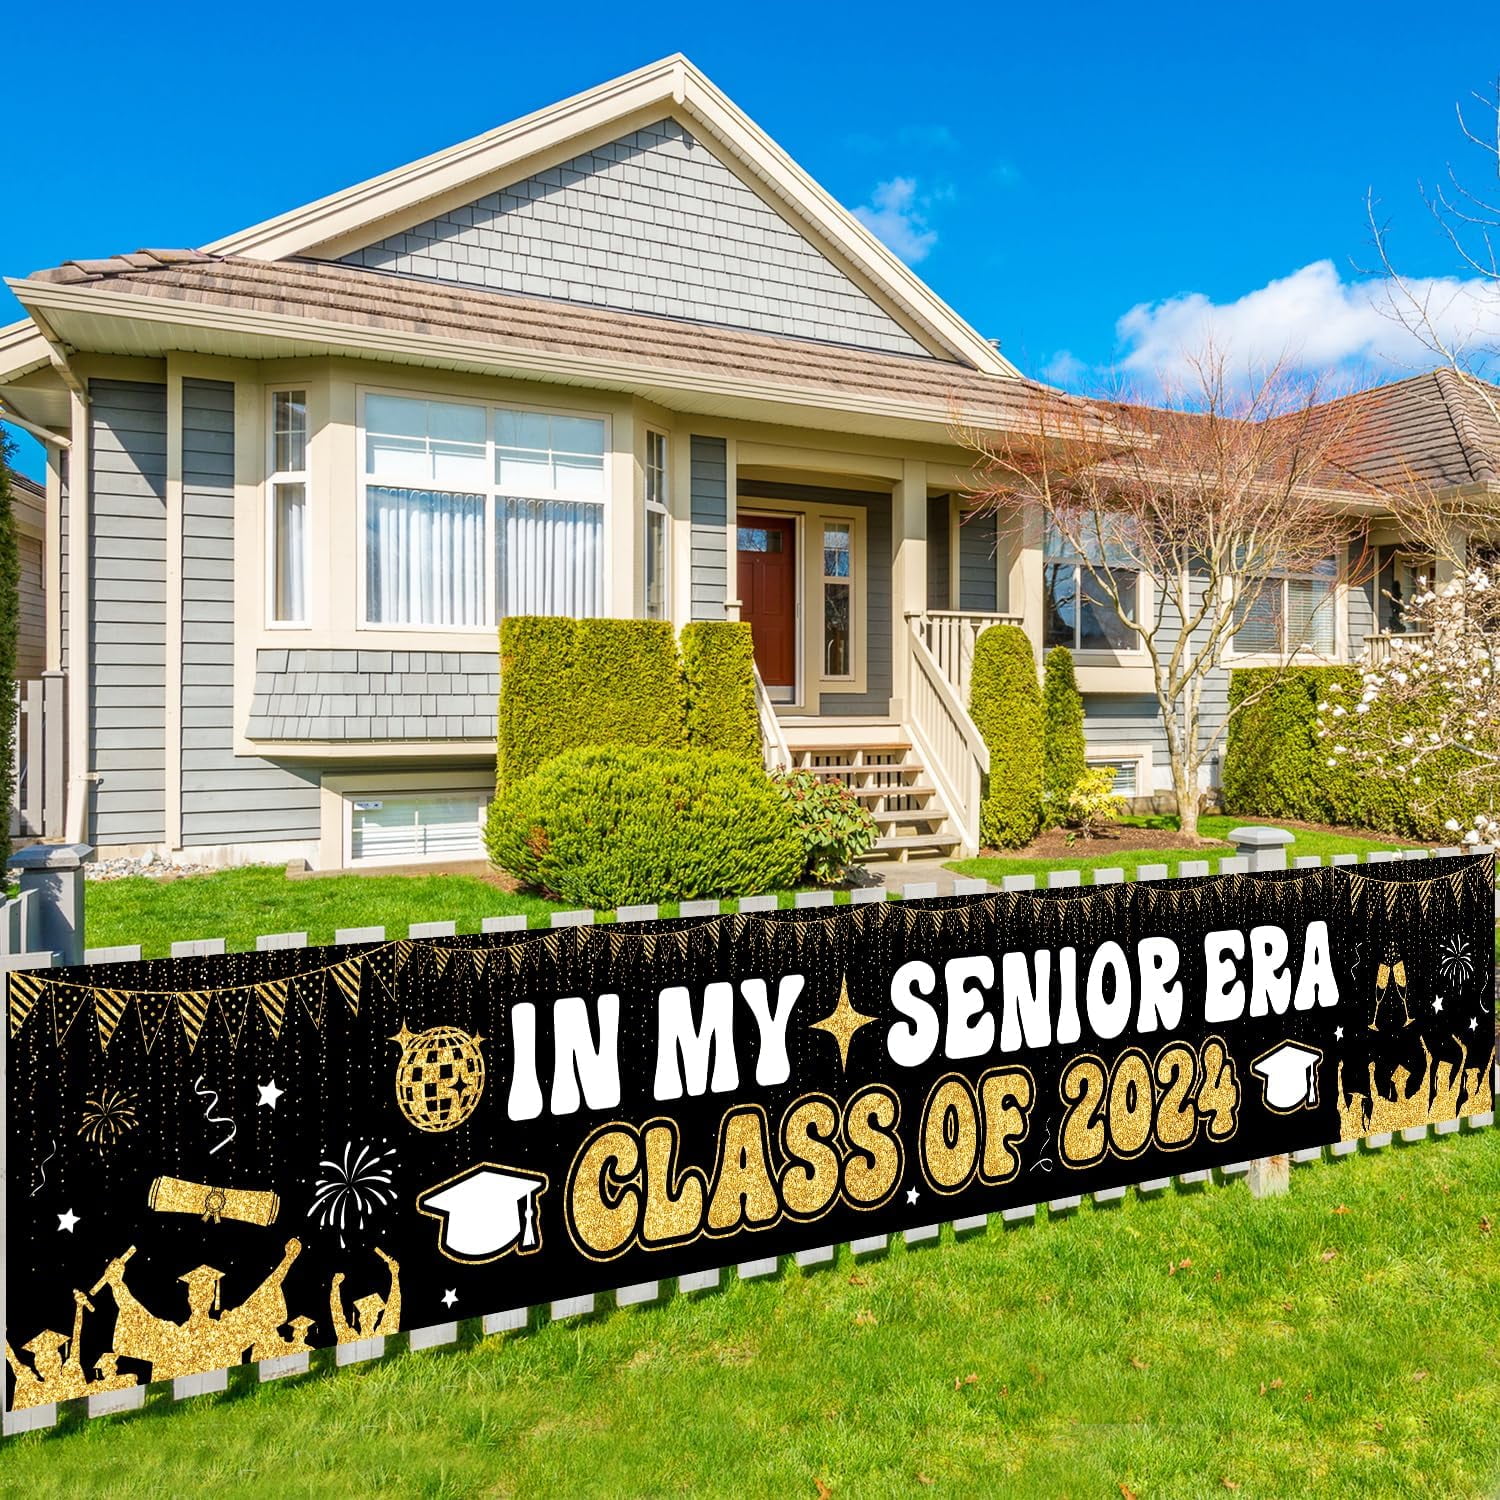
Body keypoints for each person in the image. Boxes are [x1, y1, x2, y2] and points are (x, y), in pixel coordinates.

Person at [331, 1247, 401, 1343]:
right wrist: (335, 1288)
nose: (367, 1319)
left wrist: (395, 1275)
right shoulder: (350, 1337)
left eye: (370, 1315)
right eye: (365, 1315)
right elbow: (337, 1316)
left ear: (376, 1318)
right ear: (360, 1318)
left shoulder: (383, 1333)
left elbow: (393, 1307)